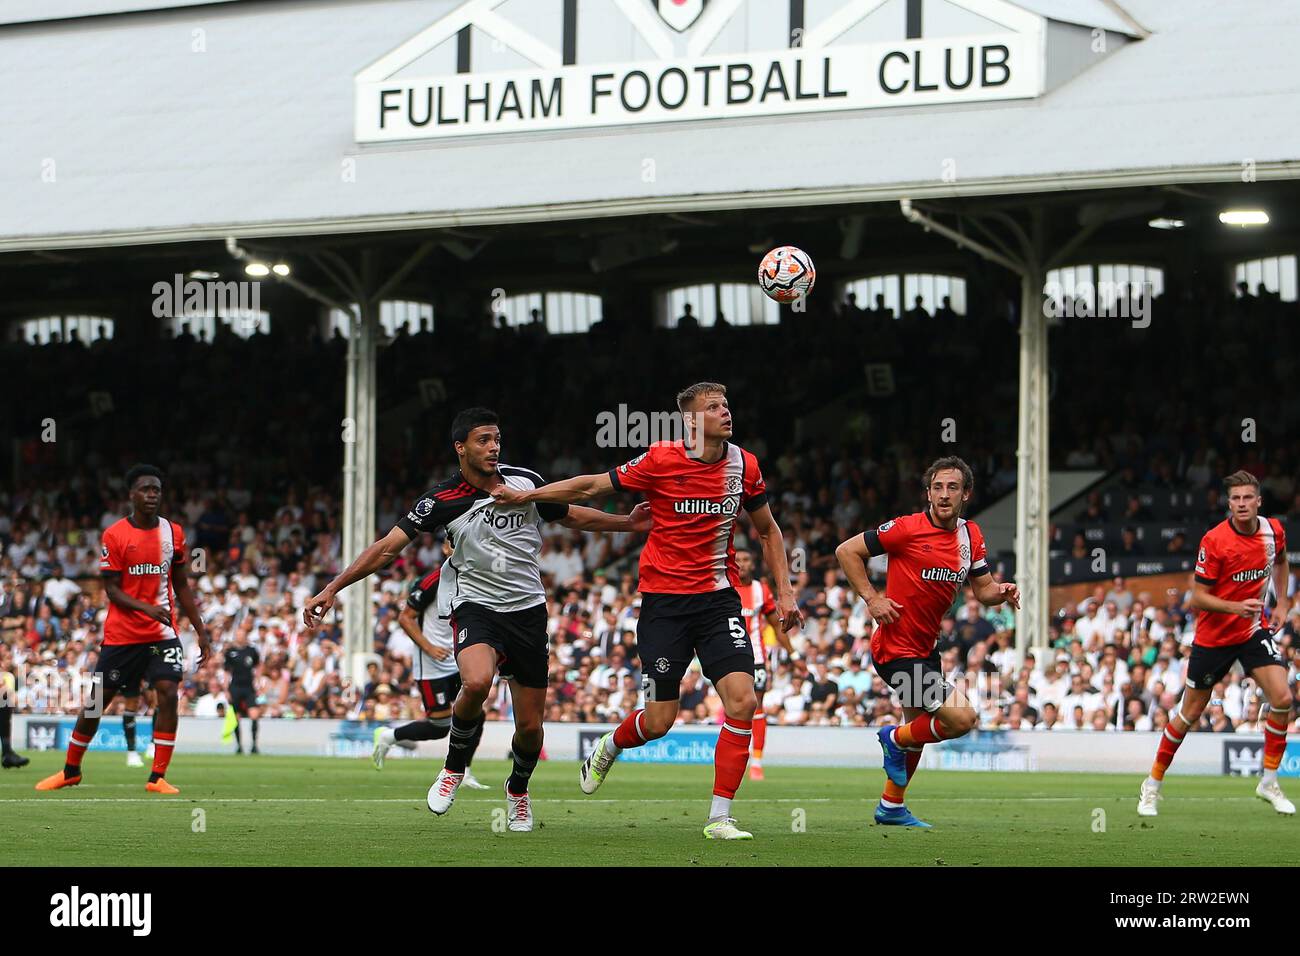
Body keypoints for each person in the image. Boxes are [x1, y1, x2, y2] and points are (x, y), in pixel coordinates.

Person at [304, 408, 650, 833]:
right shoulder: (440, 501)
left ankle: (518, 792)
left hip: (527, 611)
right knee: (474, 682)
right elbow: (386, 549)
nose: (493, 447)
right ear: (461, 447)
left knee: (529, 727)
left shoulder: (525, 482)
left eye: (497, 439)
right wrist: (332, 588)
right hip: (477, 607)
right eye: (483, 440)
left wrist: (627, 524)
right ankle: (452, 769)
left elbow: (572, 515)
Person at [493, 382, 801, 840]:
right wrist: (528, 496)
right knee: (658, 721)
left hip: (718, 601)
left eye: (726, 404)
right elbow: (593, 485)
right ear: (691, 421)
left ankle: (719, 817)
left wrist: (785, 591)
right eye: (713, 407)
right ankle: (611, 745)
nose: (725, 411)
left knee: (743, 700)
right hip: (664, 606)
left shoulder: (744, 464)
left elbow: (768, 531)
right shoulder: (660, 458)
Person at [835, 456, 1020, 827]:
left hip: (925, 649)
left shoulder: (970, 535)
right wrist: (872, 598)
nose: (944, 494)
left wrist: (1001, 592)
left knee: (917, 734)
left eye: (952, 487)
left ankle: (891, 806)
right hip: (895, 651)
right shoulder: (906, 529)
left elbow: (982, 591)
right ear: (928, 493)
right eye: (937, 487)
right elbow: (846, 551)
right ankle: (892, 737)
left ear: (966, 493)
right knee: (962, 718)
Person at [37, 464, 211, 793]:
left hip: (162, 634)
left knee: (168, 694)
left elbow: (182, 584)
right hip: (123, 636)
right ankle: (71, 770)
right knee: (95, 702)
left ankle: (157, 777)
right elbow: (112, 590)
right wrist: (148, 608)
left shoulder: (173, 532)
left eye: (156, 489)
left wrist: (201, 631)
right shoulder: (115, 535)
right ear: (131, 494)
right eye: (145, 489)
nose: (152, 495)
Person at [1138, 470, 1293, 816]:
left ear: (1258, 501)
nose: (1241, 504)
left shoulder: (1273, 531)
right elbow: (1198, 598)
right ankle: (1152, 783)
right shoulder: (1215, 540)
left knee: (1282, 697)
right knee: (1189, 714)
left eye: (1247, 498)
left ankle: (1268, 781)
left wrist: (1283, 602)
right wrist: (1235, 606)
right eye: (1235, 498)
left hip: (1252, 630)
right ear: (1229, 502)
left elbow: (1281, 561)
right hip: (1214, 638)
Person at [372, 542, 487, 791]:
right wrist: (428, 647)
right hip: (432, 660)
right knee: (439, 727)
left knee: (476, 713)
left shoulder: (477, 577)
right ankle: (389, 736)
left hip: (458, 656)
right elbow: (405, 617)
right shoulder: (432, 580)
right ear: (446, 548)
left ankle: (463, 770)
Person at [734, 548, 795, 780]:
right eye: (738, 559)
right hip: (729, 656)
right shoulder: (723, 586)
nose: (742, 563)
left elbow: (775, 624)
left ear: (753, 563)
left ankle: (756, 762)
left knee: (757, 708)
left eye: (746, 559)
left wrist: (794, 654)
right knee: (734, 708)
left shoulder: (762, 589)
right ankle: (736, 758)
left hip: (756, 658)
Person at [223, 626, 261, 754]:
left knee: (254, 715)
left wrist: (258, 681)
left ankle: (254, 745)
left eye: (242, 634)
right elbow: (226, 672)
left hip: (249, 687)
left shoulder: (251, 650)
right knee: (236, 717)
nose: (240, 637)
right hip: (235, 687)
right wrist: (226, 689)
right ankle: (239, 746)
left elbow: (258, 665)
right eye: (238, 634)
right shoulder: (230, 652)